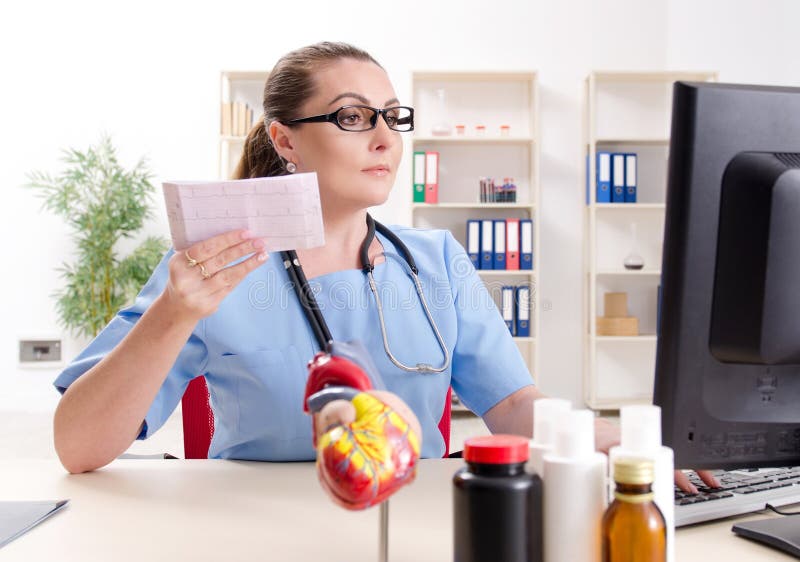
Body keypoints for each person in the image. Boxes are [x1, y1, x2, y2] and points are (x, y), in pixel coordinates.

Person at [52, 42, 698, 491]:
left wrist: (614, 439)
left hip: (413, 517)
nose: (386, 138)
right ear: (284, 140)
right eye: (354, 117)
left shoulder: (436, 262)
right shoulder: (208, 270)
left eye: (393, 116)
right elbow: (77, 449)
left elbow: (511, 406)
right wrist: (172, 315)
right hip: (257, 526)